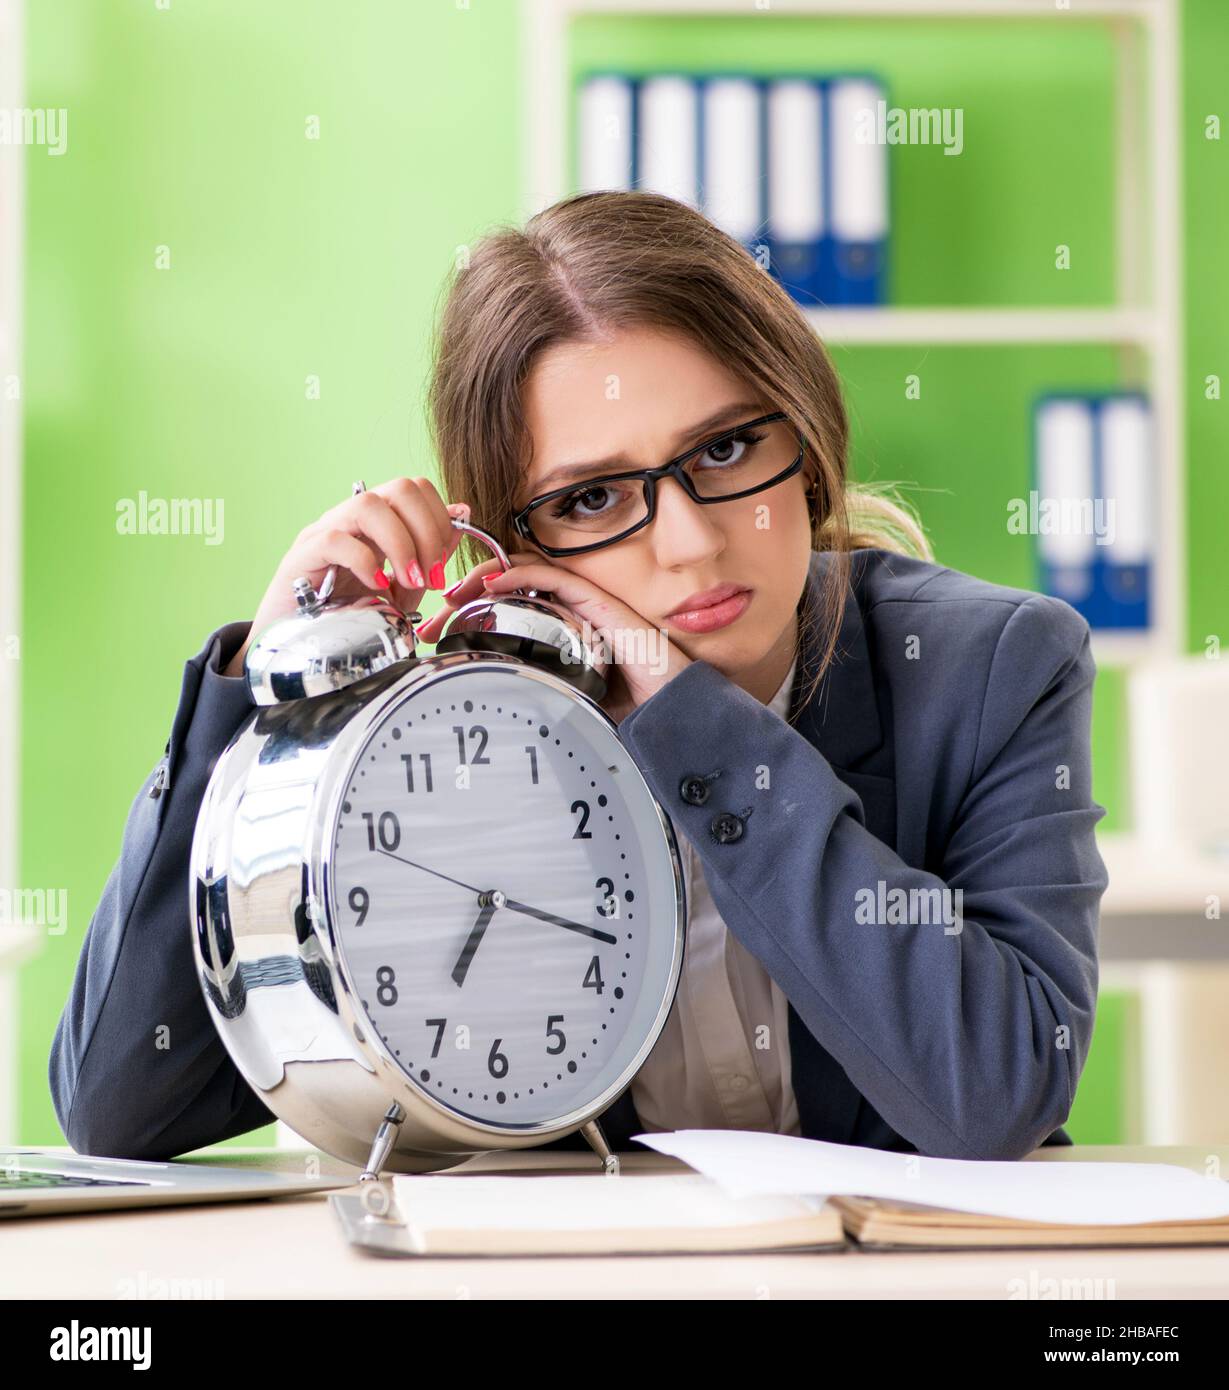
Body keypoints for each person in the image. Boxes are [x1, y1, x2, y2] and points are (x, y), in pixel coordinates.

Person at [49, 190, 1107, 1163]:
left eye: (728, 448)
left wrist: (695, 727)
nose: (689, 544)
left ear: (807, 425)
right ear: (510, 547)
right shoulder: (455, 745)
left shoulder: (993, 670)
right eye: (591, 500)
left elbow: (993, 1095)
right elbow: (122, 1104)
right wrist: (260, 704)